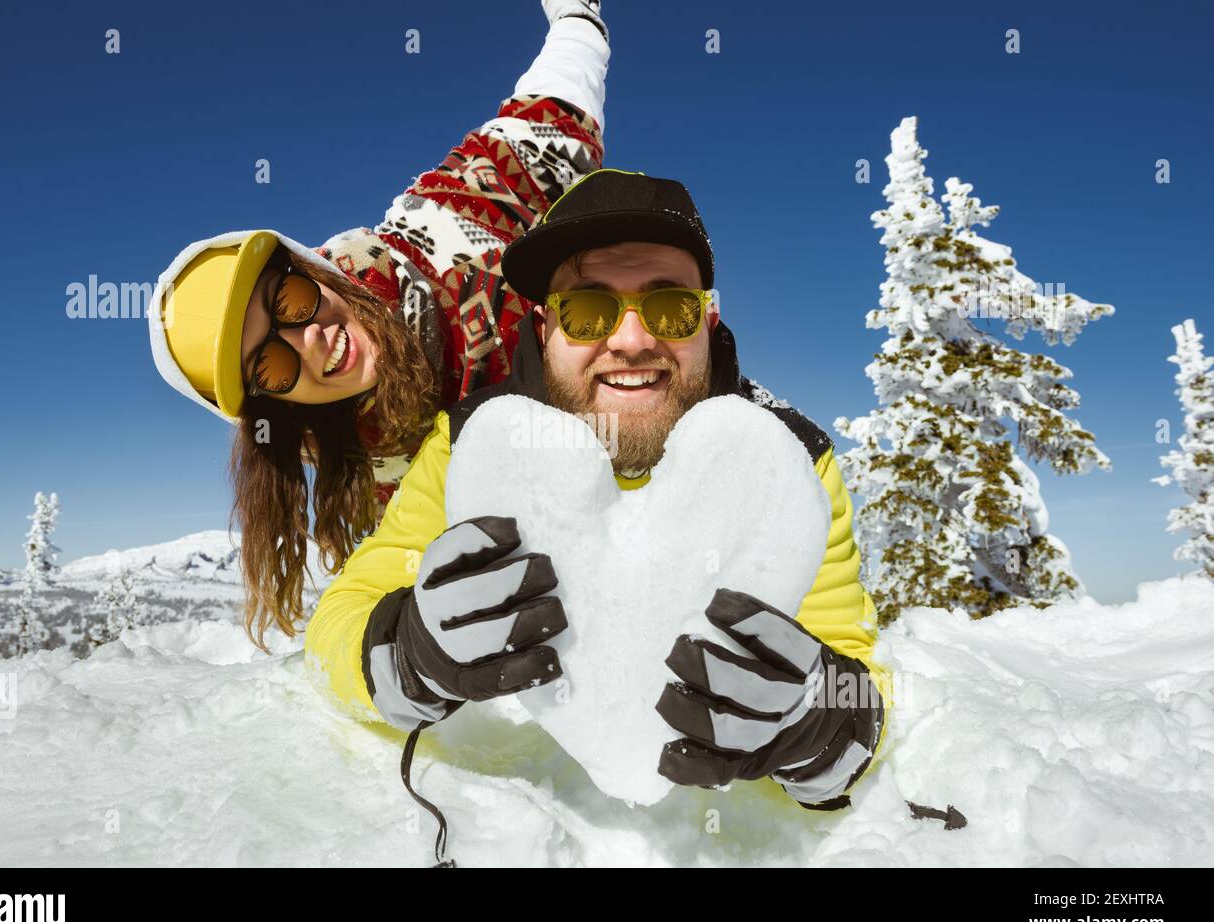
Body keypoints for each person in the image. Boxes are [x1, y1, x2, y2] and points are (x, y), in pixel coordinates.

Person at [306, 169, 893, 861]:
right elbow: (339, 620)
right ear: (547, 327)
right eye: (590, 311)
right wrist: (410, 651)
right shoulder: (478, 448)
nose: (633, 340)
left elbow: (857, 675)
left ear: (707, 320)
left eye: (669, 309)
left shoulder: (786, 459)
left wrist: (816, 721)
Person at [146, 1, 609, 646]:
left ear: (313, 270)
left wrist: (576, 21)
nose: (308, 343)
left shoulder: (452, 220)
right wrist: (397, 660)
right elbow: (367, 598)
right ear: (274, 405)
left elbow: (553, 115)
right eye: (271, 366)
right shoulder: (370, 475)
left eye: (288, 303)